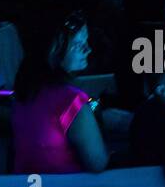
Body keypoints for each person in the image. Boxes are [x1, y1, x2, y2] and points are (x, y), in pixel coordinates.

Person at [11, 12, 109, 174]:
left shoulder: (24, 93)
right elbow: (98, 163)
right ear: (55, 49)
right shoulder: (73, 102)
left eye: (86, 42)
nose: (88, 49)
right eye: (78, 44)